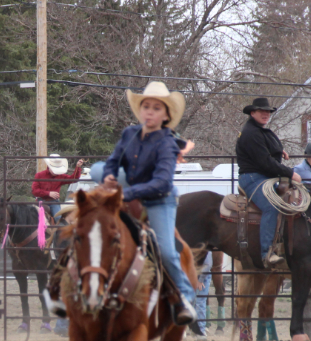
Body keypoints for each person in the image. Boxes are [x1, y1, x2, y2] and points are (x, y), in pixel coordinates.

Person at [98, 81, 197, 324]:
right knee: (96, 169)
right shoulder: (129, 134)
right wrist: (108, 176)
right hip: (130, 185)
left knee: (164, 250)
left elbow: (162, 182)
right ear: (140, 110)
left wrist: (124, 195)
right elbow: (114, 160)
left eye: (156, 108)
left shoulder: (167, 143)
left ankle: (186, 295)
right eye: (146, 106)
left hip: (158, 200)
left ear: (166, 115)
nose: (149, 112)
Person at [235, 97, 302, 268]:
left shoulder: (258, 130)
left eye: (268, 112)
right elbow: (264, 162)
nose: (266, 114)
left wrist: (280, 151)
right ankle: (267, 253)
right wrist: (291, 174)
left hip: (263, 176)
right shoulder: (252, 133)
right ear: (253, 113)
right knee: (271, 206)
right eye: (262, 111)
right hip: (252, 177)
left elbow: (265, 151)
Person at [32, 154, 84, 220]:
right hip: (41, 201)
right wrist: (48, 193)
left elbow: (74, 179)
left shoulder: (61, 176)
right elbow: (34, 191)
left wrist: (78, 167)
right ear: (49, 166)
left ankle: (59, 229)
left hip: (54, 202)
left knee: (58, 218)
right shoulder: (39, 175)